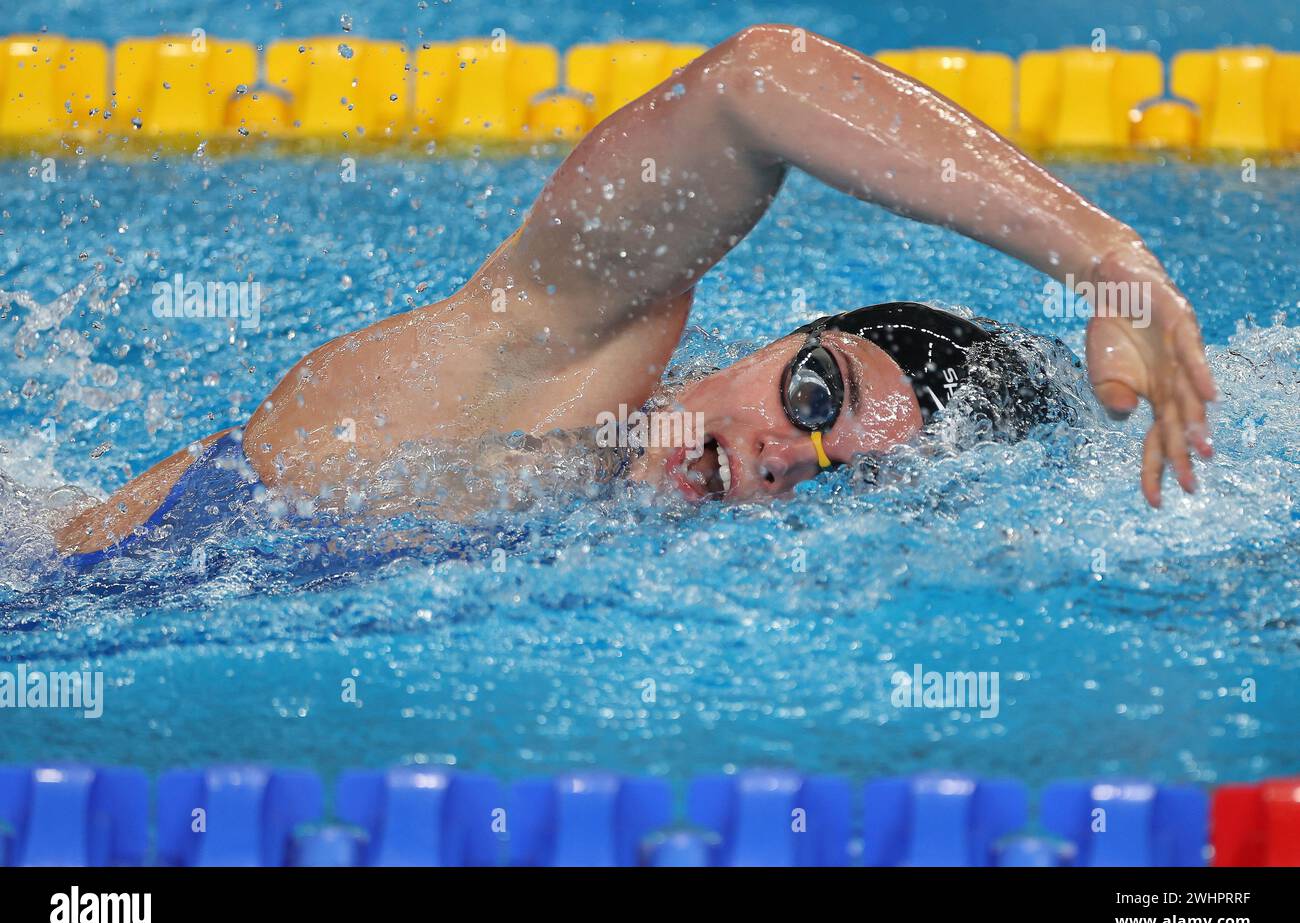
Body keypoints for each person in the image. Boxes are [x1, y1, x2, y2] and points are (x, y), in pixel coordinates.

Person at [55, 24, 1217, 566]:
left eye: (838, 485)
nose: (778, 454)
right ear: (775, 339)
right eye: (815, 393)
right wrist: (1102, 255)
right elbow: (755, 85)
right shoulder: (533, 372)